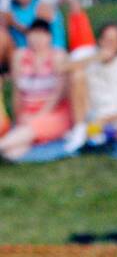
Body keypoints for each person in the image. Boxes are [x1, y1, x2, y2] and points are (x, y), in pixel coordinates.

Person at [63, 19, 117, 154]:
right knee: (77, 74)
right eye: (106, 40)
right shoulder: (87, 54)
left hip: (114, 118)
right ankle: (83, 131)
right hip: (87, 114)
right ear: (99, 40)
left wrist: (105, 119)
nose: (109, 45)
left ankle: (95, 135)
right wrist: (94, 58)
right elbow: (61, 68)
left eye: (113, 41)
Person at [0, 14, 69, 158]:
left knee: (32, 127)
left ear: (49, 37)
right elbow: (17, 92)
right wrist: (18, 117)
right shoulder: (20, 56)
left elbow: (58, 94)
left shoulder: (58, 56)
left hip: (54, 112)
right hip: (27, 112)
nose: (37, 38)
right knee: (11, 154)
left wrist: (39, 115)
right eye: (34, 34)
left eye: (42, 34)